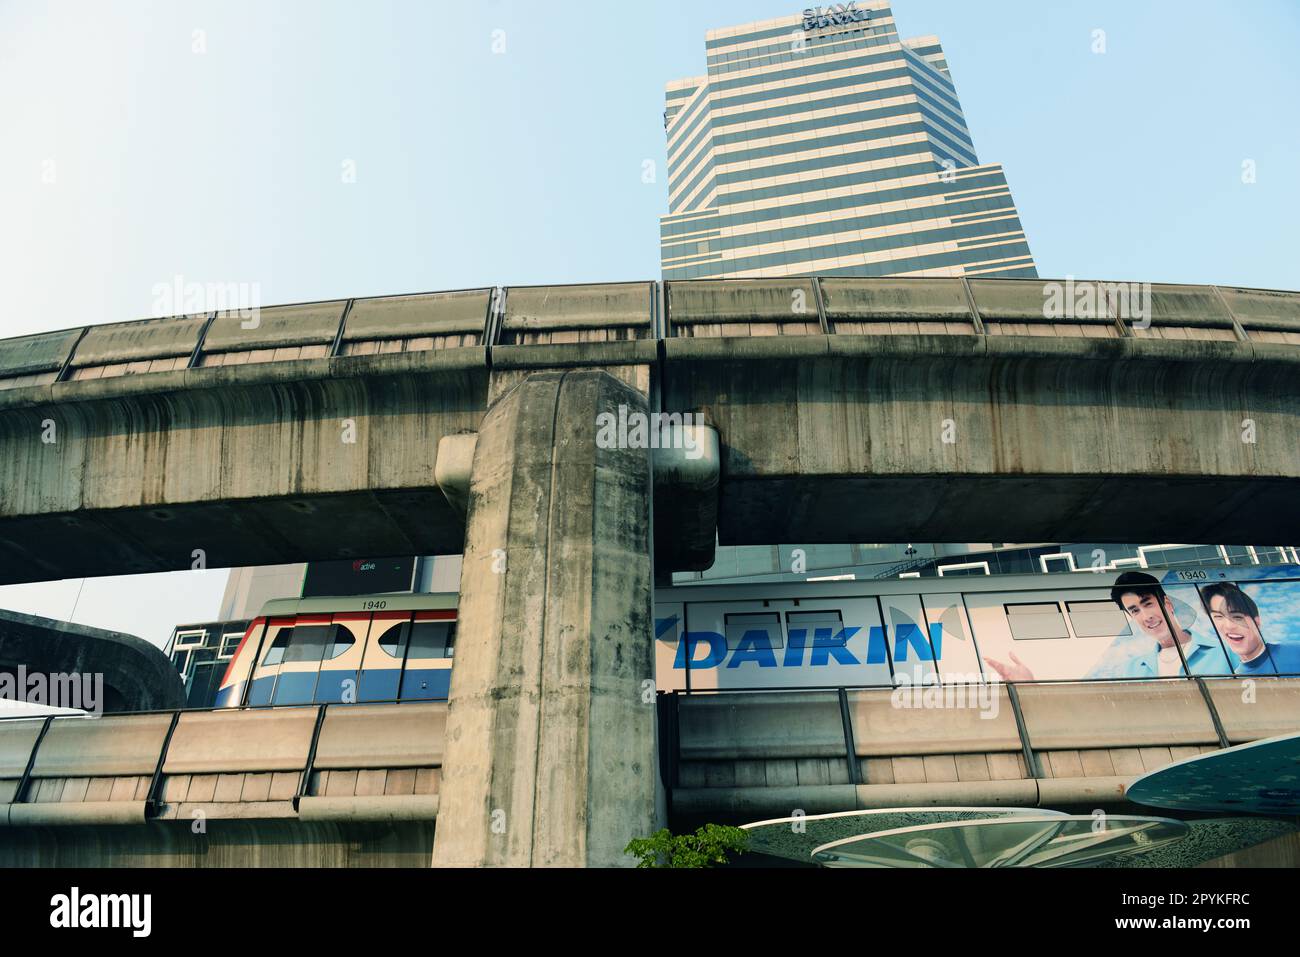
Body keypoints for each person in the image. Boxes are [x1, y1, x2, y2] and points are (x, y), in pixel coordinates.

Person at [983, 571, 1235, 681]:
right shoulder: (1133, 671)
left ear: (1166, 602)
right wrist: (1031, 687)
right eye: (1134, 610)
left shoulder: (1227, 653)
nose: (1145, 615)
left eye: (1147, 603)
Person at [1202, 582, 1300, 675]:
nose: (1229, 626)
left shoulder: (1295, 652)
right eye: (1218, 617)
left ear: (1257, 622)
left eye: (1237, 617)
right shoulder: (1233, 681)